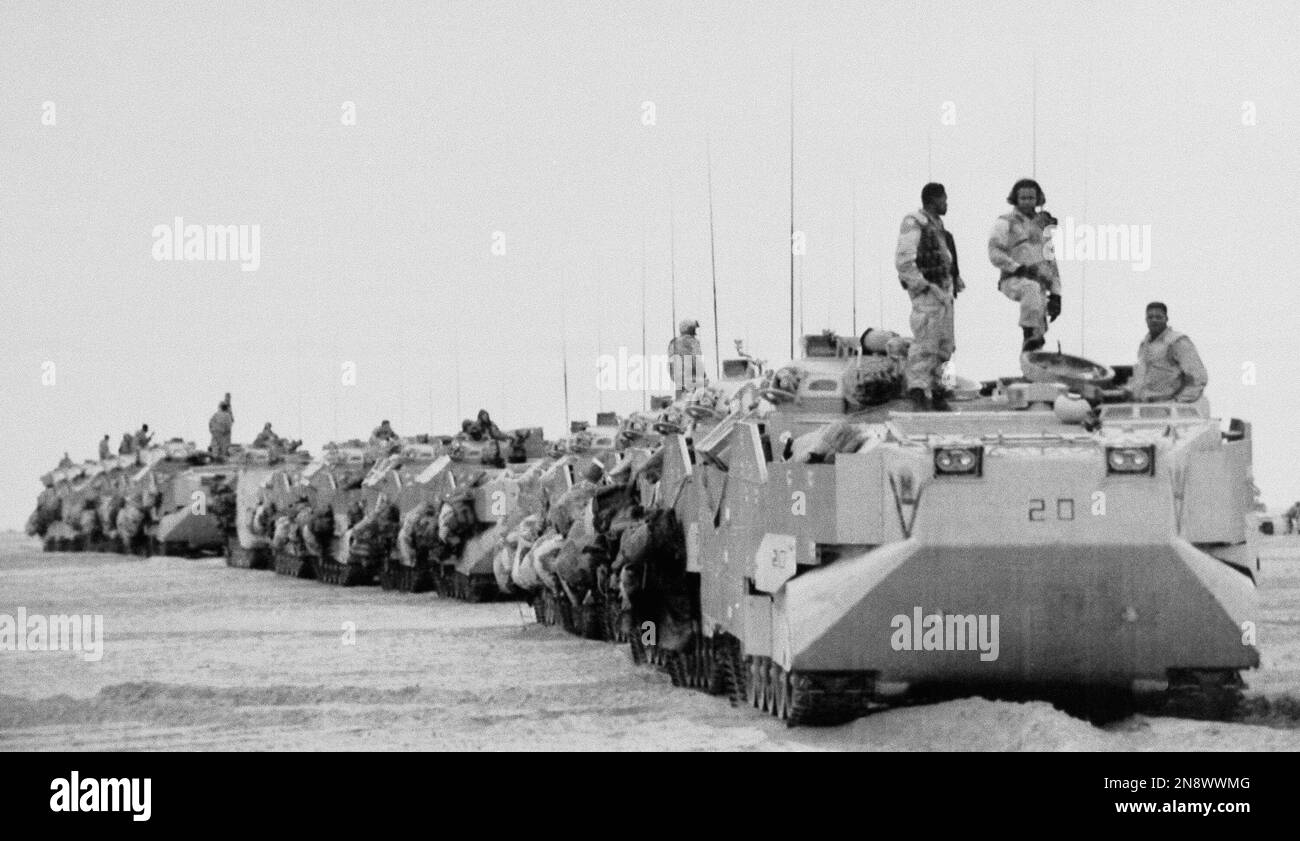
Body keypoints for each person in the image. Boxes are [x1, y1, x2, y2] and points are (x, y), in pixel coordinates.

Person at [895, 182, 957, 411]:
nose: (946, 204)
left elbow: (944, 257)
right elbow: (903, 260)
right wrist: (922, 285)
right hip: (929, 294)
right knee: (925, 343)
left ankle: (939, 387)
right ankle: (918, 388)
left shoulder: (937, 226)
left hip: (943, 292)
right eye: (943, 199)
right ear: (933, 200)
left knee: (945, 345)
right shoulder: (914, 222)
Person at [988, 178, 1061, 352]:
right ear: (1016, 199)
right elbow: (994, 252)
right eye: (1023, 198)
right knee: (1031, 289)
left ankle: (1032, 356)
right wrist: (1016, 267)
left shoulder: (1043, 226)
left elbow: (1051, 263)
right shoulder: (1006, 222)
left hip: (1039, 283)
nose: (1028, 202)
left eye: (1031, 198)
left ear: (1038, 199)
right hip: (1015, 278)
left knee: (1039, 329)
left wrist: (1057, 294)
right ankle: (1028, 334)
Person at [1129, 302, 1208, 403]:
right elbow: (1143, 377)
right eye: (1150, 317)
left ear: (1166, 318)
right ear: (1146, 320)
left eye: (1158, 317)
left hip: (1169, 409)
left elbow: (1198, 377)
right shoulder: (1144, 345)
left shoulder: (1177, 341)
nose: (1154, 320)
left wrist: (1178, 402)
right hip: (1145, 407)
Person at [667, 319, 706, 396]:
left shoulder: (673, 343)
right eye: (692, 328)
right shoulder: (692, 341)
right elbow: (696, 359)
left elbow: (670, 364)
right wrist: (703, 374)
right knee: (696, 404)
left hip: (679, 380)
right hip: (693, 380)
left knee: (680, 404)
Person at [209, 395, 234, 461]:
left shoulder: (216, 414)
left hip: (216, 432)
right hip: (223, 433)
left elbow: (210, 423)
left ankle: (215, 458)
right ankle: (221, 459)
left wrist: (212, 430)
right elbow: (229, 425)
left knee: (215, 446)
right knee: (223, 447)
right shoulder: (227, 415)